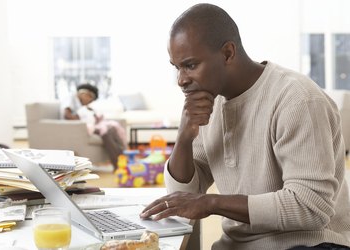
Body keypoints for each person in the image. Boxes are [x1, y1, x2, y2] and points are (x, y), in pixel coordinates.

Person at [139, 3, 350, 250]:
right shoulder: (209, 101)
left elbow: (310, 207)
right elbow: (183, 197)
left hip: (310, 244)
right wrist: (184, 138)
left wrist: (211, 203)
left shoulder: (297, 99)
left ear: (228, 53)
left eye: (191, 65)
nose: (181, 80)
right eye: (177, 68)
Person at [61, 83, 127, 169]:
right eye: (90, 99)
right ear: (84, 93)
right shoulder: (71, 98)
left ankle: (122, 160)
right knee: (108, 131)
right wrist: (84, 121)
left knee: (112, 130)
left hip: (87, 126)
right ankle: (119, 164)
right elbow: (67, 116)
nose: (90, 102)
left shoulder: (81, 106)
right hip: (77, 128)